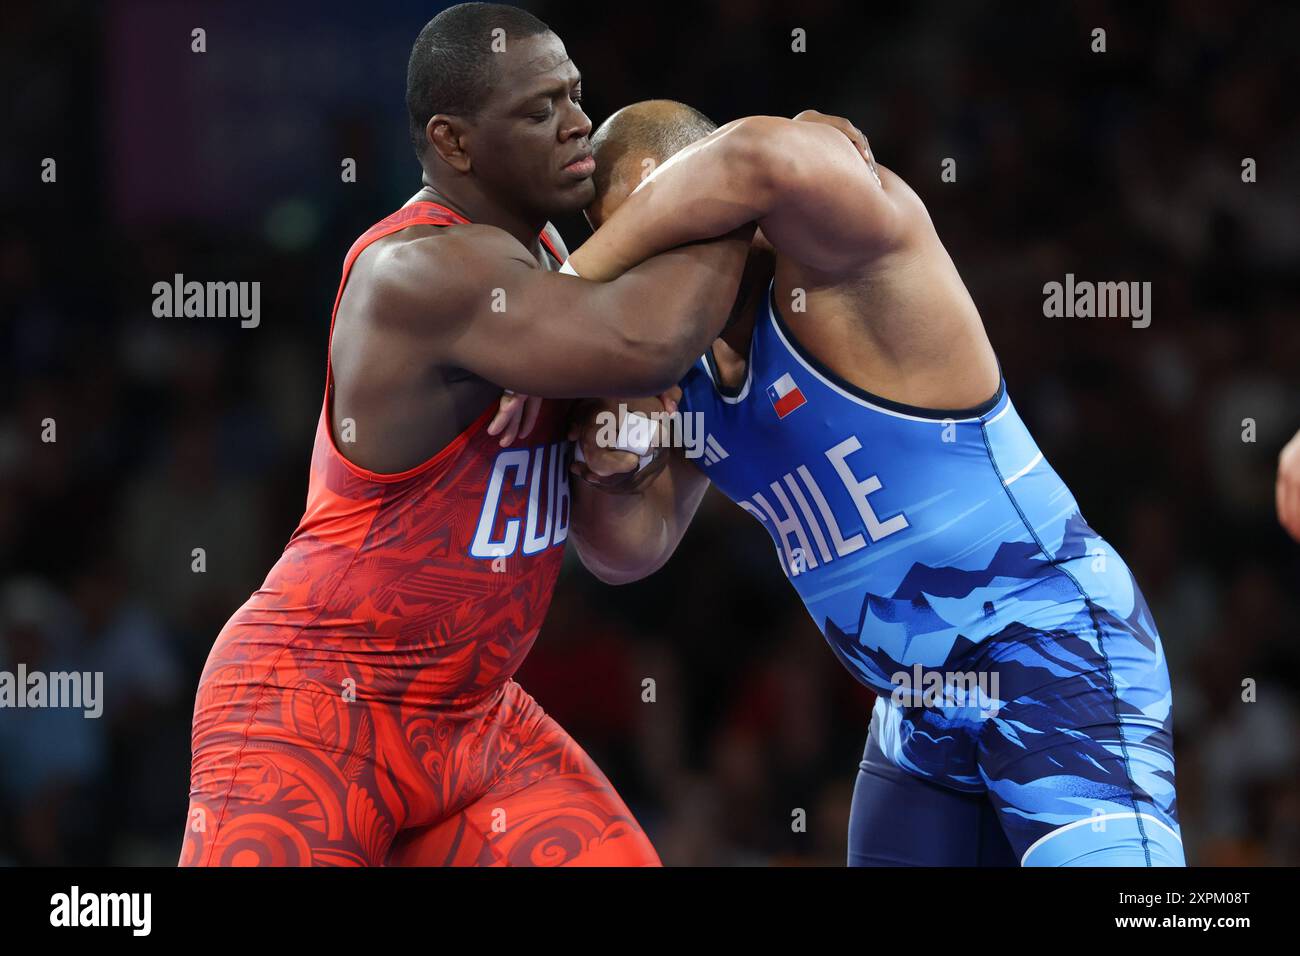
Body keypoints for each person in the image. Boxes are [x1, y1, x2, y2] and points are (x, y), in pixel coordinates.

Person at [179, 5, 758, 867]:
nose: (576, 125)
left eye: (575, 96)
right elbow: (647, 338)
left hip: (469, 719)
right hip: (309, 711)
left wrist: (623, 463)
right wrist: (740, 195)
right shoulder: (419, 270)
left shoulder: (560, 273)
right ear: (453, 142)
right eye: (538, 111)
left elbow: (620, 553)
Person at [554, 99, 1184, 866]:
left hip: (1050, 655)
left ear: (699, 191)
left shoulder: (844, 259)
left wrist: (565, 294)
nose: (659, 267)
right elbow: (630, 554)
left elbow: (759, 155)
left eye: (654, 230)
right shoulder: (673, 366)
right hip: (917, 708)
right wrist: (610, 472)